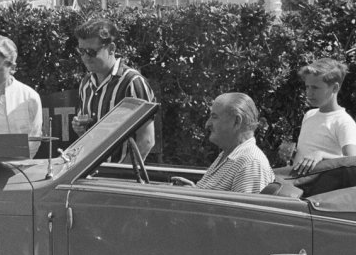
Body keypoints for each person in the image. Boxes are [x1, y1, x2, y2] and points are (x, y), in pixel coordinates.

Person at [71, 19, 156, 161]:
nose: (85, 57)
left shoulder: (132, 82)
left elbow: (146, 141)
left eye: (91, 52)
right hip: (93, 171)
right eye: (81, 51)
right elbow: (89, 139)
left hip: (119, 173)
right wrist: (80, 129)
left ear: (111, 49)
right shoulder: (86, 83)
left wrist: (121, 171)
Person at [172, 93, 273, 194]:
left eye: (214, 117)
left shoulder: (250, 163)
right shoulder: (229, 155)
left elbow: (245, 204)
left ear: (236, 121)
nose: (207, 124)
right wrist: (193, 191)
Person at [278, 58, 356, 175]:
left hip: (324, 185)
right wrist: (293, 155)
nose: (309, 93)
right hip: (299, 182)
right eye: (307, 87)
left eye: (315, 87)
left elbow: (353, 162)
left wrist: (321, 155)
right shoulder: (309, 115)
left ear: (335, 88)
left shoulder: (344, 122)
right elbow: (308, 156)